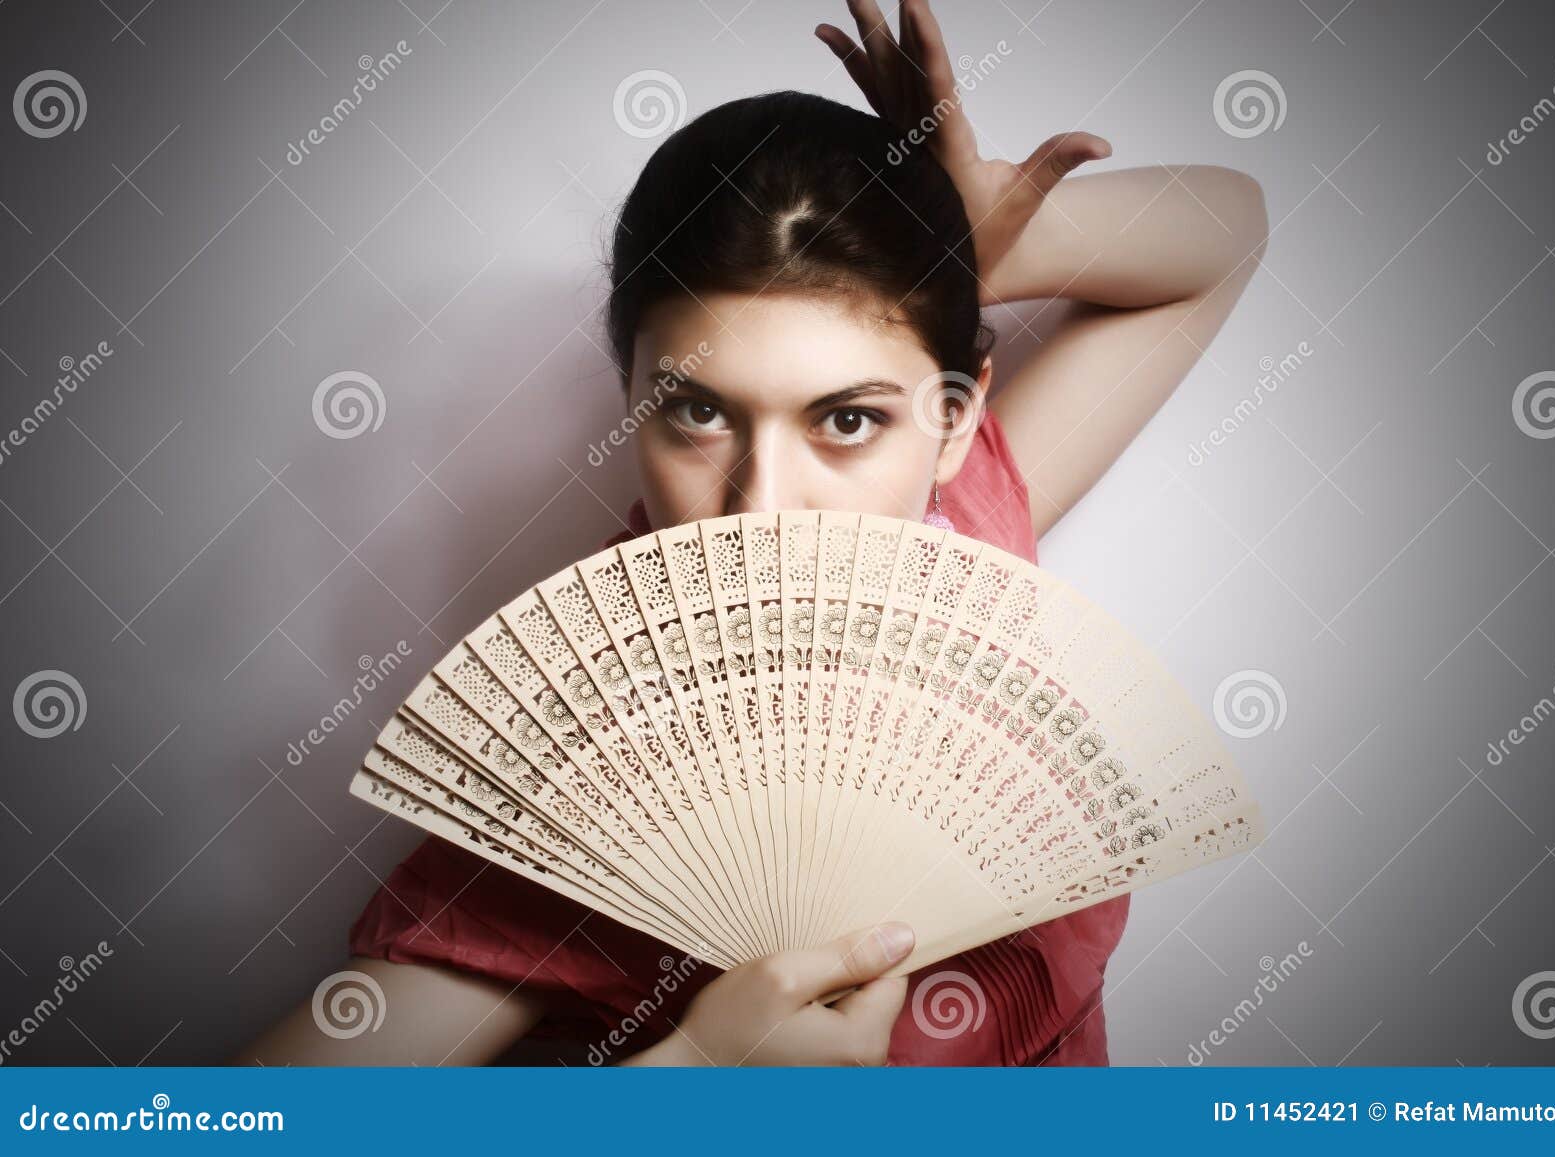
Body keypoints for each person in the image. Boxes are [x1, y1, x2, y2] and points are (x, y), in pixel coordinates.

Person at [240, 0, 1266, 1067]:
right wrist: (688, 1080)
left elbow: (1224, 229)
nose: (761, 510)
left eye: (848, 418)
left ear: (953, 421)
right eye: (697, 411)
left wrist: (995, 241)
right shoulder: (581, 751)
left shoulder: (962, 530)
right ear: (629, 393)